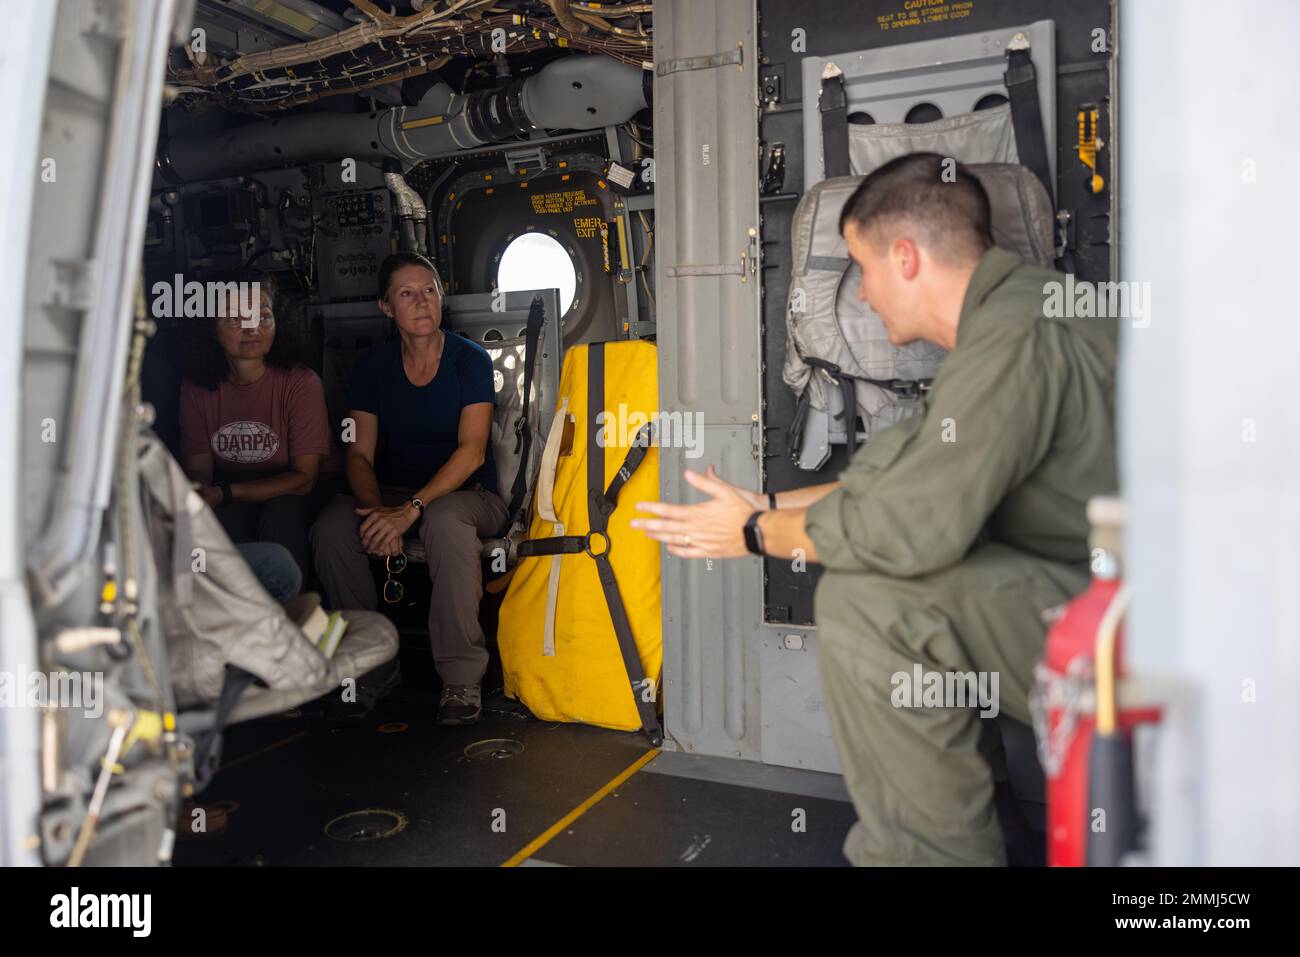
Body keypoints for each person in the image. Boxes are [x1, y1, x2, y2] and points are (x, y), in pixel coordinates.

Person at [632, 152, 1117, 866]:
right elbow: (902, 478)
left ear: (907, 257)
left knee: (873, 598)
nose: (861, 297)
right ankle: (996, 838)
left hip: (1146, 624)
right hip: (1108, 593)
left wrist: (755, 531)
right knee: (897, 578)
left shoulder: (1016, 336)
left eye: (863, 271)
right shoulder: (1020, 315)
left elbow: (909, 526)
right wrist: (762, 503)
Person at [311, 252, 507, 726]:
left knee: (445, 522)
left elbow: (473, 451)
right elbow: (358, 454)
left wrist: (411, 509)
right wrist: (379, 511)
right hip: (394, 492)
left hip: (469, 497)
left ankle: (461, 678)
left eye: (430, 291)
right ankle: (371, 669)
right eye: (407, 294)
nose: (422, 302)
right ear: (385, 307)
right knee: (334, 527)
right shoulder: (372, 369)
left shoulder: (469, 360)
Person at [179, 273, 339, 585]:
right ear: (210, 327)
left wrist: (225, 493)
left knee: (282, 518)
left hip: (303, 490)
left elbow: (304, 479)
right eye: (235, 318)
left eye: (263, 316)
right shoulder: (196, 390)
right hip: (236, 490)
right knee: (218, 526)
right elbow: (200, 471)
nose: (252, 328)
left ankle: (296, 620)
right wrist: (198, 491)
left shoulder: (300, 383)